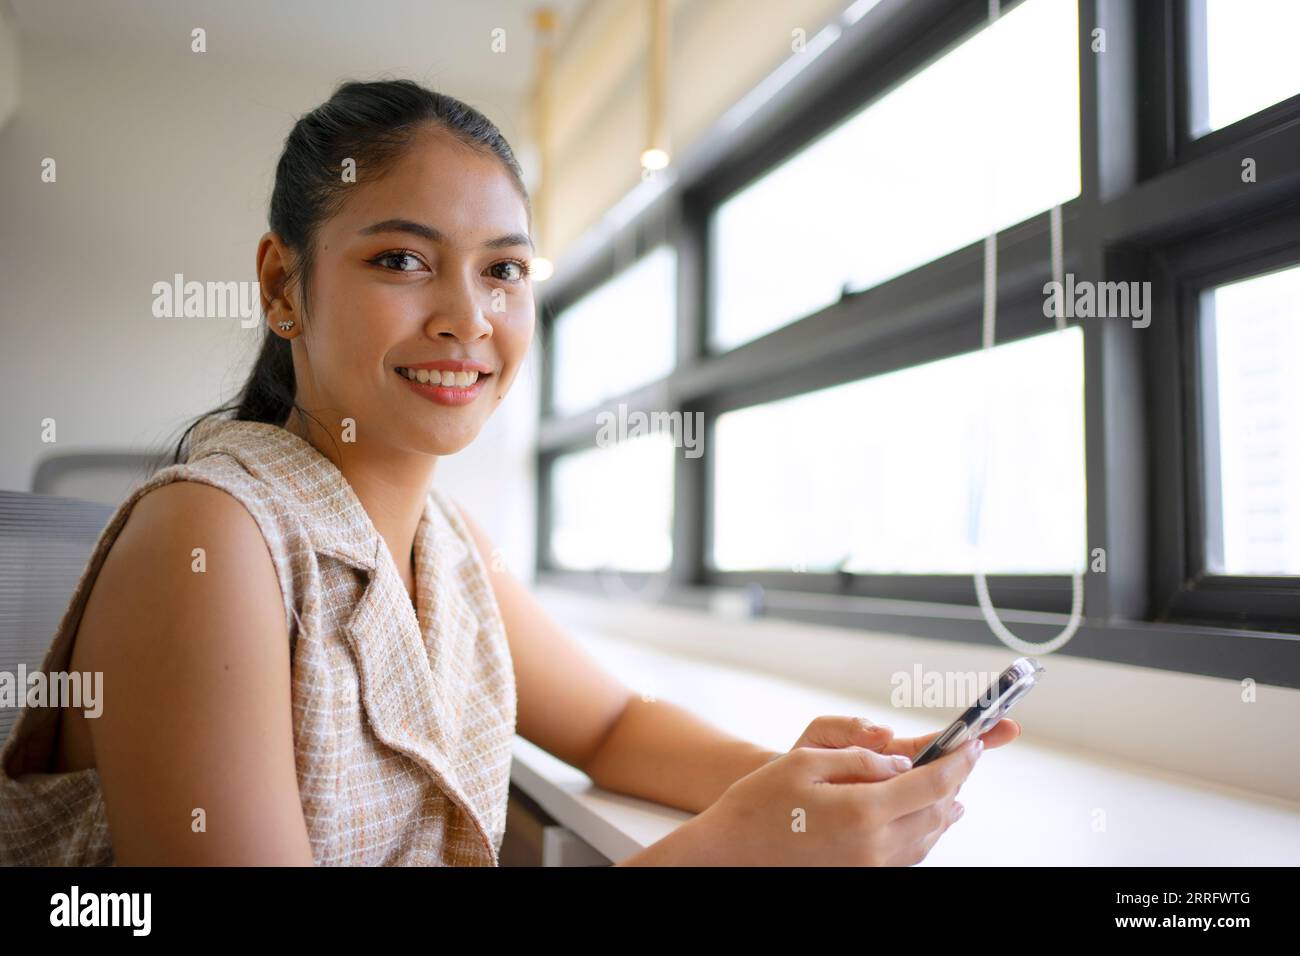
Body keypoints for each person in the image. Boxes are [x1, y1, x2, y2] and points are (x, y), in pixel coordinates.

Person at [0, 79, 1018, 866]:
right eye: (401, 259)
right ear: (282, 284)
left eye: (504, 269)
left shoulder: (448, 547)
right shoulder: (210, 539)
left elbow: (614, 726)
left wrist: (810, 781)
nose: (467, 316)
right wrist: (726, 846)